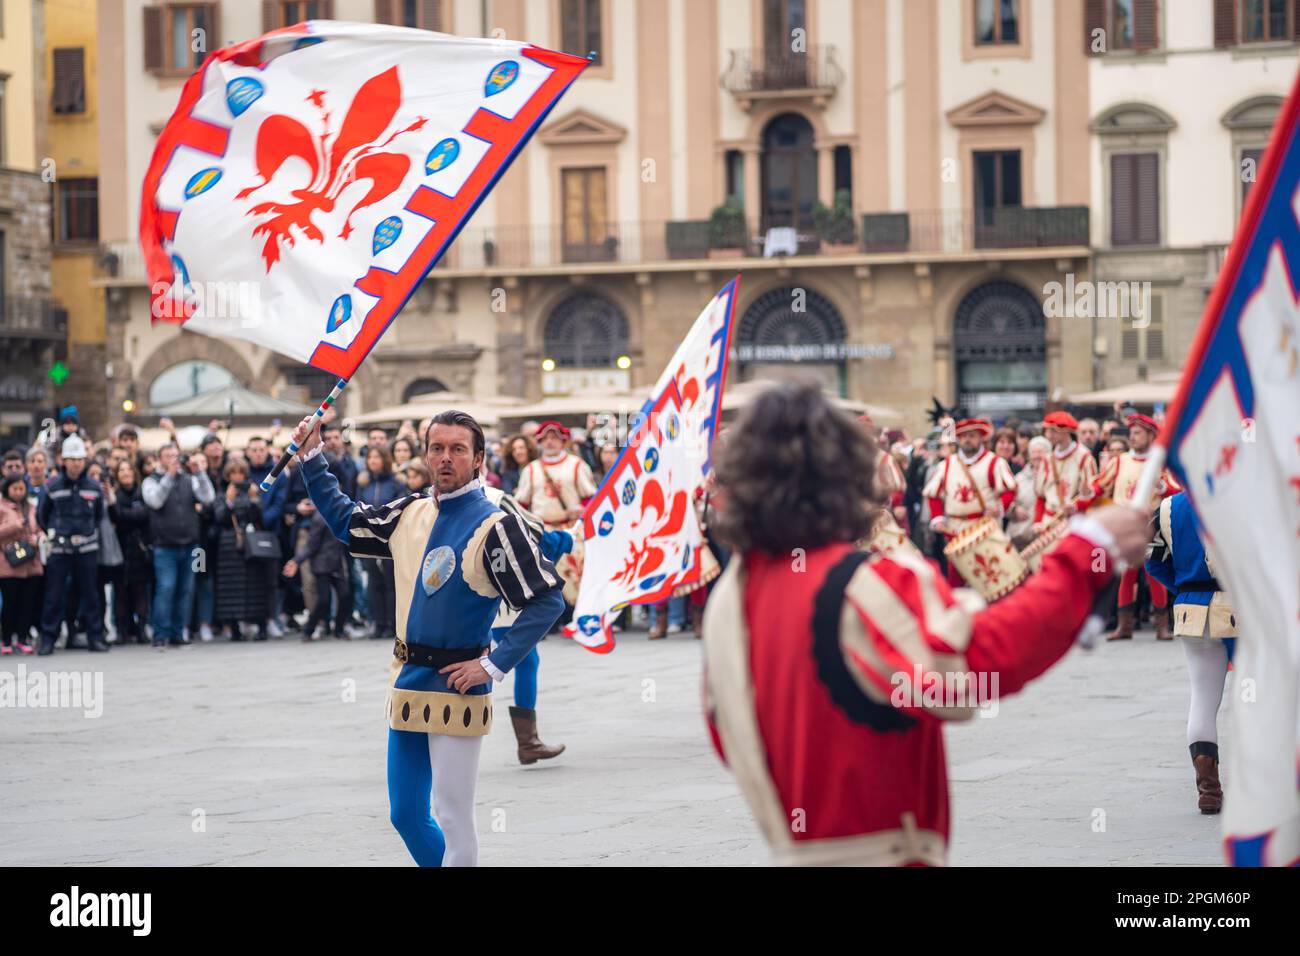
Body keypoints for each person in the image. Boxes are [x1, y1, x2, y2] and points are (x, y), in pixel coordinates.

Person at [700, 384, 1149, 865]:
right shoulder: (864, 583)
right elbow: (972, 669)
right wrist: (1085, 556)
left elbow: (730, 739)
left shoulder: (729, 599)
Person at [292, 408, 566, 866]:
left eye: (458, 449)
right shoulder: (410, 512)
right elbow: (347, 521)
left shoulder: (495, 523)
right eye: (437, 448)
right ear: (424, 454)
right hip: (407, 680)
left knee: (453, 816)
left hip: (458, 686)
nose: (445, 458)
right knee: (405, 814)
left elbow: (547, 600)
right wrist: (312, 456)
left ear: (478, 458)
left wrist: (492, 665)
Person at [1146, 491, 1235, 815]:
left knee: (1202, 700)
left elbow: (1152, 559)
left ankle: (1208, 792)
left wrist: (1183, 588)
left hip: (1190, 609)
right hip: (1242, 607)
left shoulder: (1169, 506)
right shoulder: (1247, 491)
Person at [1079, 412, 1181, 641]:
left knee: (1154, 574)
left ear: (1150, 435)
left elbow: (1178, 491)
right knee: (1125, 574)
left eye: (1137, 433)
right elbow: (1099, 485)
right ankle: (1124, 626)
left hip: (1151, 526)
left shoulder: (1160, 463)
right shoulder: (1120, 461)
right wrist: (1086, 495)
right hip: (1123, 526)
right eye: (1131, 433)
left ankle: (1161, 625)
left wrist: (1162, 485)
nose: (1132, 437)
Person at [921, 418, 1016, 587]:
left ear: (981, 438)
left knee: (991, 576)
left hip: (984, 528)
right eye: (963, 436)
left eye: (972, 436)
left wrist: (999, 507)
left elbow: (1009, 490)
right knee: (956, 577)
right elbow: (933, 494)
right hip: (955, 529)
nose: (967, 439)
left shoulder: (994, 462)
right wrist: (937, 518)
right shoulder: (947, 465)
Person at [36, 435, 108, 655]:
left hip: (86, 548)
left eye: (80, 458)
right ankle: (49, 638)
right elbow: (42, 515)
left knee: (91, 594)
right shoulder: (52, 486)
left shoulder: (94, 487)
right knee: (54, 595)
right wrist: (57, 533)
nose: (76, 463)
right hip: (60, 547)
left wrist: (86, 533)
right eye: (72, 458)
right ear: (63, 460)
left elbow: (98, 515)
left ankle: (95, 637)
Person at [142, 444, 215, 649]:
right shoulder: (151, 481)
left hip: (191, 545)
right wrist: (169, 476)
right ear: (159, 459)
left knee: (185, 590)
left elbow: (208, 497)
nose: (174, 460)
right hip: (165, 547)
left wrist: (199, 473)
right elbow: (154, 501)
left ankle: (177, 632)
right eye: (168, 456)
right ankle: (160, 634)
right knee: (166, 588)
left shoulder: (189, 479)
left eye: (176, 456)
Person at [514, 421, 594, 606]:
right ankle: (553, 621)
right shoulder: (531, 469)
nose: (550, 442)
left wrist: (582, 510)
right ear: (540, 442)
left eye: (555, 438)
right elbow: (521, 503)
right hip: (542, 530)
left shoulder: (577, 465)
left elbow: (590, 497)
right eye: (546, 438)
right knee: (546, 575)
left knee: (577, 575)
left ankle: (576, 617)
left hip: (571, 530)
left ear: (563, 441)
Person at [212, 458, 274, 641]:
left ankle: (261, 625)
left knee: (256, 585)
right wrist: (229, 502)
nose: (237, 477)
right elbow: (219, 518)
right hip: (229, 547)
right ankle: (234, 627)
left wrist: (255, 499)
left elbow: (261, 518)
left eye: (240, 473)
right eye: (233, 473)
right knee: (231, 588)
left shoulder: (252, 492)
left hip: (252, 544)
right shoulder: (222, 494)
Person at [283, 505, 359, 642]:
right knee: (323, 601)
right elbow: (311, 545)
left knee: (345, 596)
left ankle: (339, 629)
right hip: (322, 564)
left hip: (337, 563)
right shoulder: (320, 518)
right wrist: (296, 561)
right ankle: (309, 630)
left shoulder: (341, 515)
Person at [357, 444, 402, 641]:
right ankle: (379, 623)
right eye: (370, 458)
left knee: (391, 584)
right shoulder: (364, 484)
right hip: (370, 539)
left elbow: (398, 508)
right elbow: (358, 507)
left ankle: (393, 624)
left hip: (390, 539)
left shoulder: (395, 483)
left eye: (377, 457)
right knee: (375, 584)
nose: (373, 461)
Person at [108, 460, 152, 644]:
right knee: (119, 592)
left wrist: (121, 514)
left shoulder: (142, 493)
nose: (125, 473)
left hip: (139, 549)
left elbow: (141, 515)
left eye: (128, 469)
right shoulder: (114, 495)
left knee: (140, 590)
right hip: (119, 548)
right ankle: (121, 630)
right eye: (121, 470)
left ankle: (141, 628)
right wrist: (121, 513)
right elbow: (115, 516)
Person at [1033, 411, 1098, 533]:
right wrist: (1037, 521)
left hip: (1073, 523)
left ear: (1066, 430)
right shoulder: (1047, 459)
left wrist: (1075, 506)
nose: (1048, 435)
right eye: (1047, 430)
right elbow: (1041, 496)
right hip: (1048, 523)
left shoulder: (1084, 457)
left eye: (1053, 430)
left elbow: (1092, 494)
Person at [0, 474, 43, 654]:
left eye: (21, 488)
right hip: (9, 564)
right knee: (10, 603)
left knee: (27, 603)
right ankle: (7, 639)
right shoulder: (2, 508)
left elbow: (40, 528)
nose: (18, 492)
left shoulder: (32, 508)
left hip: (30, 563)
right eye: (14, 488)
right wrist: (16, 526)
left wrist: (38, 537)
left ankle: (23, 638)